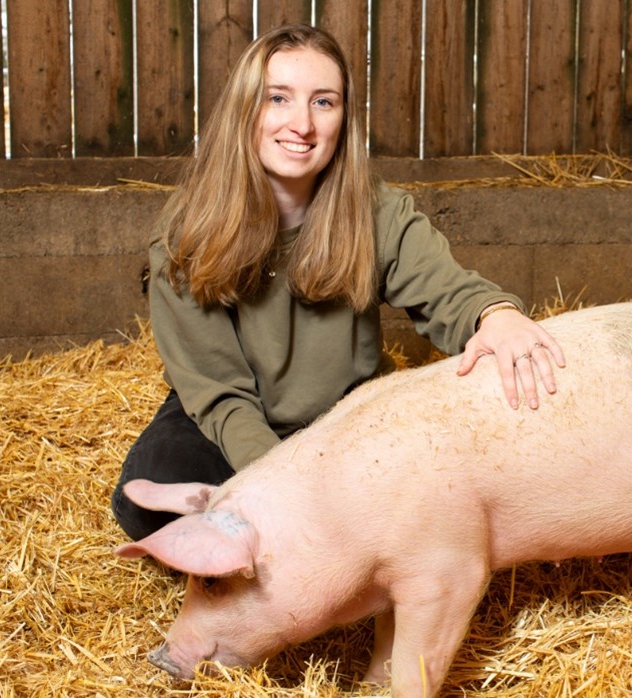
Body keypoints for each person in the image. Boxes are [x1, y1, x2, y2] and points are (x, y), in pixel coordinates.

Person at [111, 23, 565, 542]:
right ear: (245, 110)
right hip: (231, 422)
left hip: (349, 412)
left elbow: (449, 291)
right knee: (150, 500)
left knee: (441, 489)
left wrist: (495, 316)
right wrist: (287, 484)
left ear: (343, 119)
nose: (301, 124)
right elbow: (221, 395)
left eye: (323, 102)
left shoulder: (376, 211)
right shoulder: (186, 234)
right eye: (277, 98)